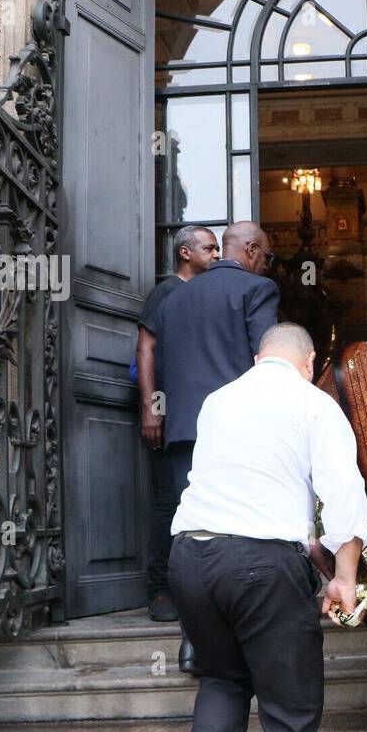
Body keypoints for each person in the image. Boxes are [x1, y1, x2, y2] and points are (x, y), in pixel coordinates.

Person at [166, 323, 367, 732]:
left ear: (258, 359)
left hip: (189, 556)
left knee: (223, 676)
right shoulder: (315, 404)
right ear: (308, 367)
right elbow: (343, 494)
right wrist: (344, 576)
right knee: (292, 712)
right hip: (262, 563)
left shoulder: (217, 399)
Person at [147, 221, 279, 673]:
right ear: (253, 250)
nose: (264, 263)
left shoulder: (174, 297)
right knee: (244, 531)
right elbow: (269, 361)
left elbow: (164, 366)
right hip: (239, 430)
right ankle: (248, 640)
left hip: (185, 429)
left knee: (193, 536)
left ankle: (193, 643)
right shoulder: (257, 290)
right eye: (265, 256)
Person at [136, 225, 219, 623]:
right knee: (170, 501)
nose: (217, 254)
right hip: (169, 416)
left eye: (219, 247)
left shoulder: (205, 294)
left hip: (200, 418)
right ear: (185, 253)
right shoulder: (167, 292)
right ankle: (159, 590)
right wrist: (152, 408)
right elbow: (146, 347)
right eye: (209, 247)